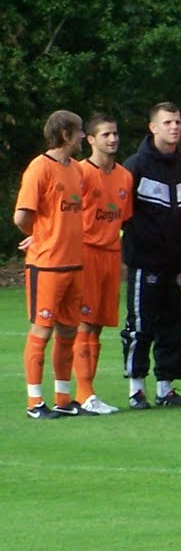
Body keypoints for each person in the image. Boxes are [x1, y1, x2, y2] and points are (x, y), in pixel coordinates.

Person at [121, 102, 181, 409]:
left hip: (177, 262)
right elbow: (123, 214)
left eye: (178, 122)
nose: (175, 127)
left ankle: (166, 388)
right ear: (153, 127)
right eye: (168, 122)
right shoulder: (135, 166)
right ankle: (136, 389)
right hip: (145, 262)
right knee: (141, 326)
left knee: (174, 326)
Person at [15, 111, 87, 418]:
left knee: (69, 332)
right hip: (47, 266)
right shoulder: (39, 168)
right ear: (66, 135)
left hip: (74, 264)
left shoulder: (76, 170)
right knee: (42, 331)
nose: (84, 137)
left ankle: (62, 397)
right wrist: (41, 235)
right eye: (80, 132)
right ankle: (35, 402)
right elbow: (22, 216)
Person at [73, 113, 132, 414]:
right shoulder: (80, 173)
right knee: (84, 322)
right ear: (91, 140)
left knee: (97, 326)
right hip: (85, 253)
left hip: (111, 254)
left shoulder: (124, 176)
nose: (113, 139)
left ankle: (87, 393)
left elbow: (123, 218)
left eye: (115, 133)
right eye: (106, 134)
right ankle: (84, 394)